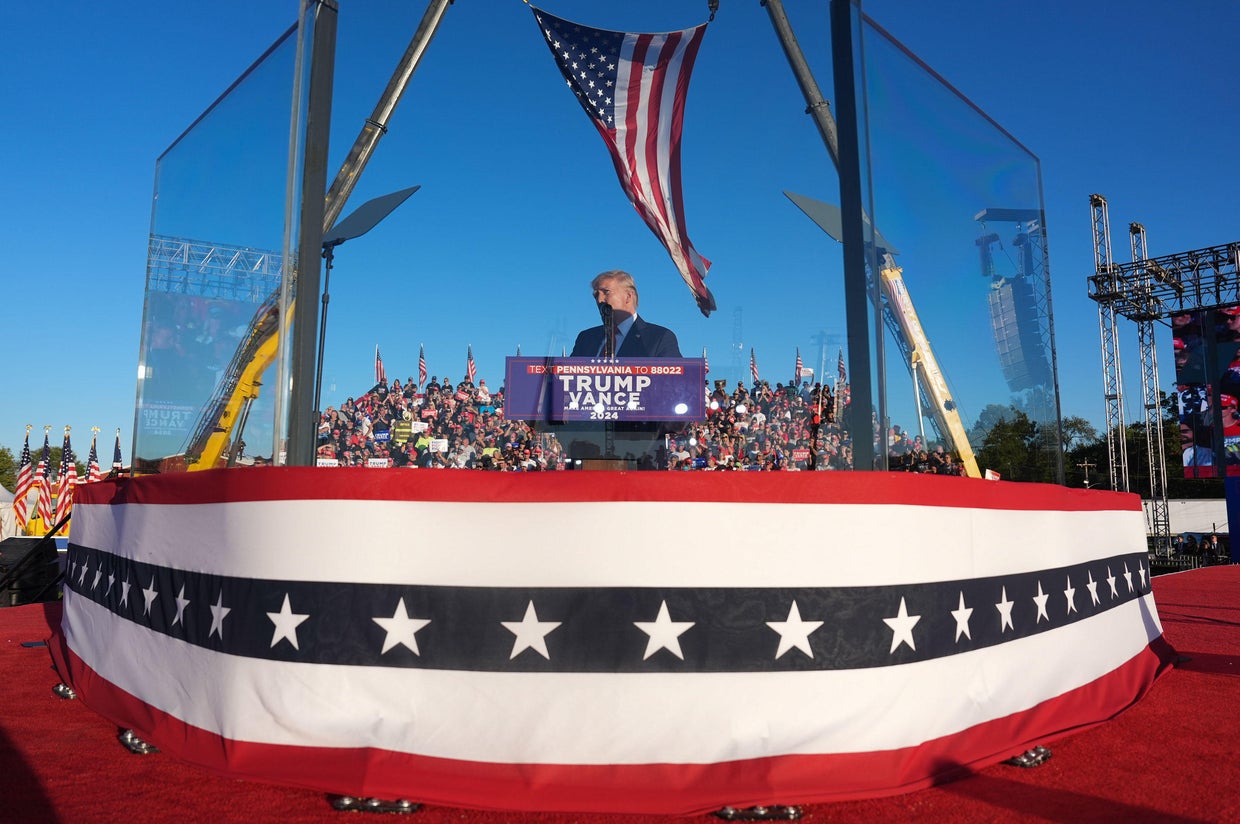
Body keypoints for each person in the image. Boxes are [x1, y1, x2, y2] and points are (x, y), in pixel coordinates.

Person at [570, 270, 681, 358]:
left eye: (606, 292)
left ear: (628, 296)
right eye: (596, 295)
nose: (599, 300)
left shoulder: (659, 338)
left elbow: (674, 383)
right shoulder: (586, 339)